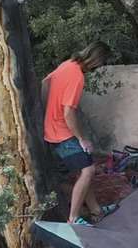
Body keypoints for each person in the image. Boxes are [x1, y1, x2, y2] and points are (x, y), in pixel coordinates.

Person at [42, 41, 114, 225]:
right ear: (97, 60)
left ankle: (96, 210)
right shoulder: (77, 76)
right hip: (62, 134)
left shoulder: (67, 65)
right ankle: (73, 219)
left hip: (52, 129)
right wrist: (82, 139)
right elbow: (68, 112)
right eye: (102, 63)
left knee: (85, 166)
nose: (100, 67)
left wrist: (47, 110)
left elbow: (45, 82)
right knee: (88, 170)